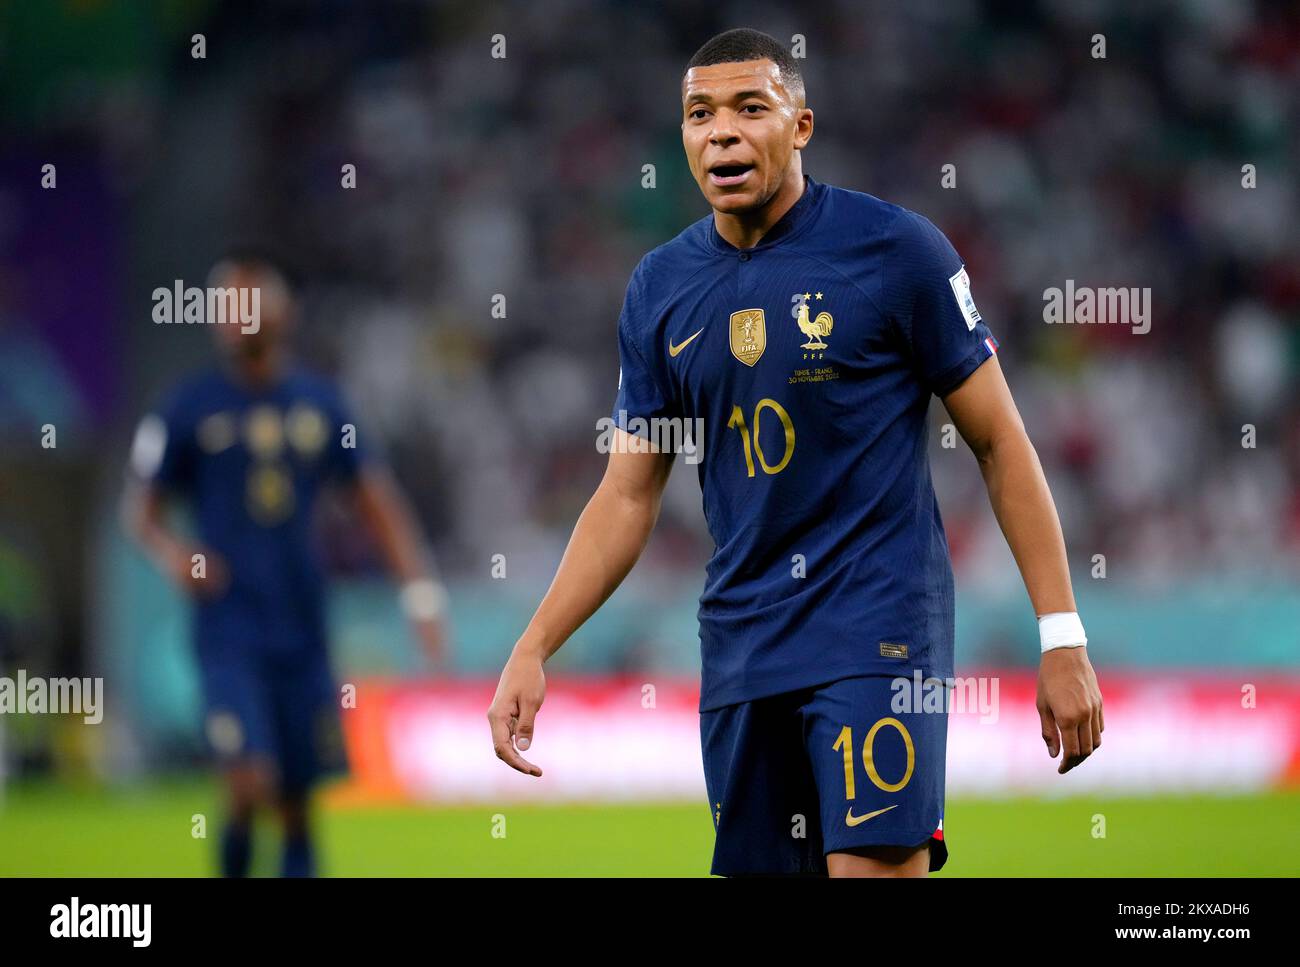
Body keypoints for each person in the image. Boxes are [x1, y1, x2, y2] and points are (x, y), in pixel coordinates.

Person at [487, 27, 1103, 877]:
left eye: (750, 107)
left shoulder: (895, 251)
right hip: (742, 642)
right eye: (700, 113)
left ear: (801, 125)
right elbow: (627, 495)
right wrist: (534, 643)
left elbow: (1000, 440)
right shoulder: (660, 290)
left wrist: (1061, 634)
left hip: (876, 627)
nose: (722, 132)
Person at [125, 250, 447, 876]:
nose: (238, 317)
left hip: (301, 625)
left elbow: (377, 501)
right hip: (227, 630)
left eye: (251, 301)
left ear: (284, 312)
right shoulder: (186, 407)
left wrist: (421, 595)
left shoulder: (321, 404)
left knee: (299, 800)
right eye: (226, 305)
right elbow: (139, 511)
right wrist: (176, 555)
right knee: (248, 780)